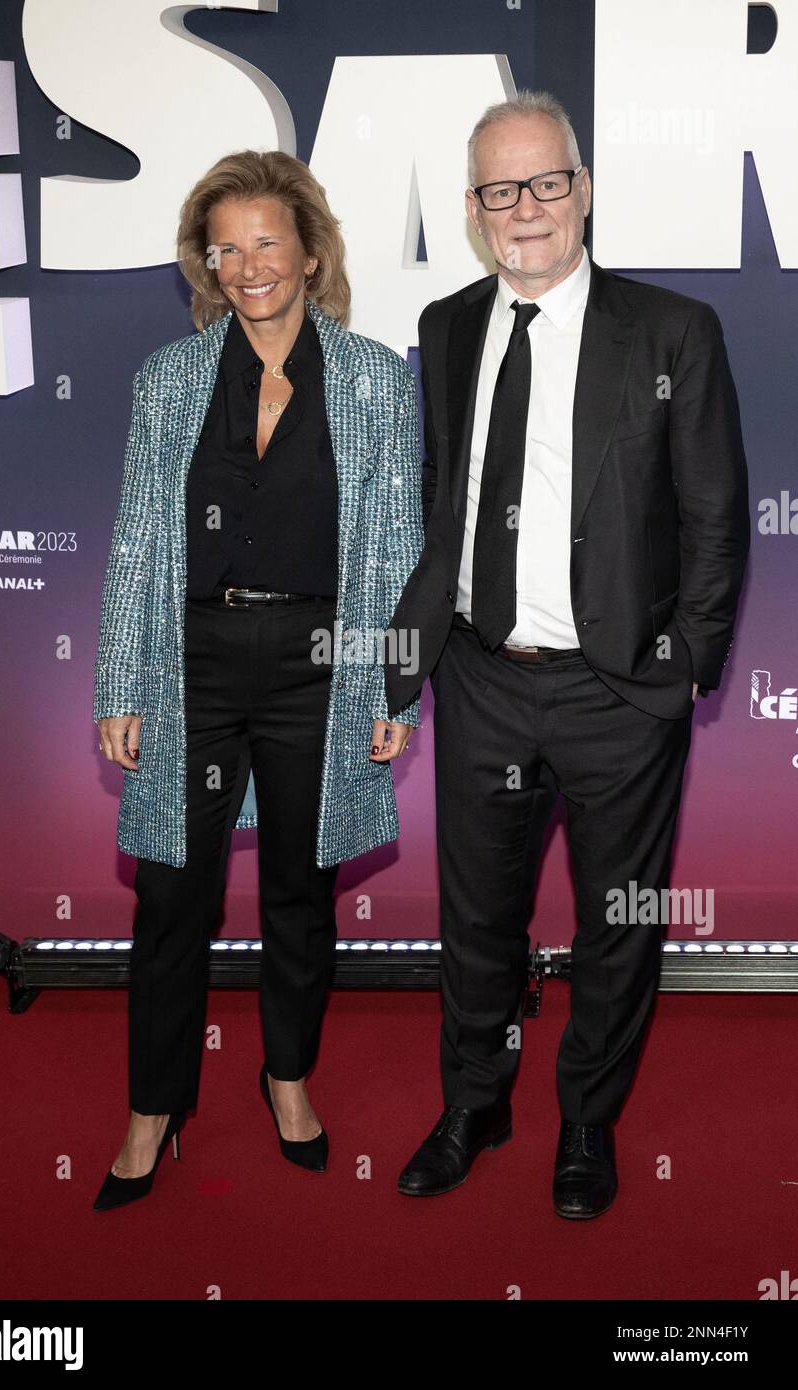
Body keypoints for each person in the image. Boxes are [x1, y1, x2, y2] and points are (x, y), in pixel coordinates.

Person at [384, 90, 749, 1217]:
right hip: (482, 676)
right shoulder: (445, 328)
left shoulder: (669, 330)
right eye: (501, 189)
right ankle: (473, 1101)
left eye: (546, 182)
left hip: (617, 691)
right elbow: (440, 507)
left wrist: (684, 661)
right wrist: (409, 658)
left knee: (616, 920)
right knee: (475, 917)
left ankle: (585, 1120)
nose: (526, 207)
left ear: (582, 190)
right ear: (472, 207)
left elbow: (713, 513)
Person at [92, 149, 423, 1210]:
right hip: (190, 658)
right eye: (223, 246)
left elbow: (394, 548)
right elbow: (137, 540)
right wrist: (118, 683)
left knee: (299, 888)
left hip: (320, 666)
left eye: (264, 241)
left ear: (309, 251)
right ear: (206, 263)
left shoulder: (373, 376)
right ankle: (154, 1106)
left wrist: (393, 691)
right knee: (169, 894)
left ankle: (286, 1078)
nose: (245, 264)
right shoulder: (169, 378)